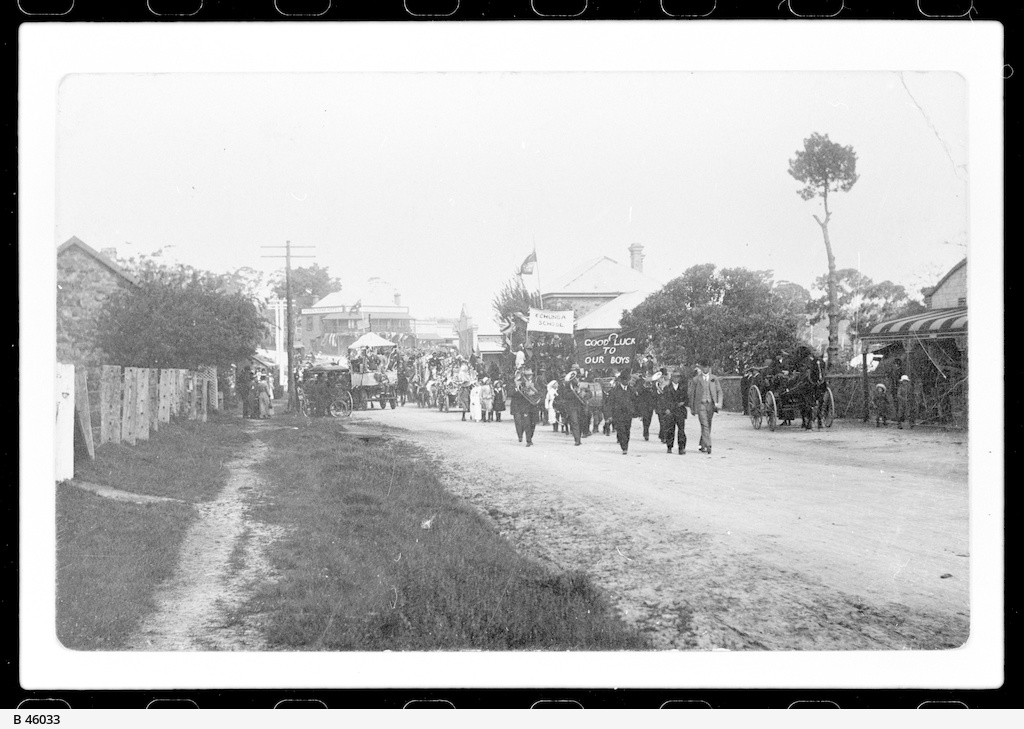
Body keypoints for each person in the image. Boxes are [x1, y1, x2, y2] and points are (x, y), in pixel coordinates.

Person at [688, 362, 723, 455]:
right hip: (701, 405)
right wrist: (692, 408)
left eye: (707, 367)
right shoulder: (696, 379)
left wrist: (719, 402)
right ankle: (708, 445)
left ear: (709, 367)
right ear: (701, 368)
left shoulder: (714, 379)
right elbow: (692, 394)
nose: (705, 369)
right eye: (703, 367)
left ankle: (702, 444)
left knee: (708, 424)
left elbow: (719, 391)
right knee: (704, 424)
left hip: (711, 405)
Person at [605, 370, 639, 455]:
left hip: (628, 414)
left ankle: (625, 444)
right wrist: (609, 415)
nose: (626, 382)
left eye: (627, 380)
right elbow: (609, 403)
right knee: (621, 430)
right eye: (624, 380)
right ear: (620, 380)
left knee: (627, 430)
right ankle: (624, 447)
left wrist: (636, 412)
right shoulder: (614, 390)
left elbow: (635, 402)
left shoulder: (631, 390)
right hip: (618, 414)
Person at [660, 368, 689, 454]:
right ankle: (669, 446)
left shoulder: (683, 388)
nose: (677, 378)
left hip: (680, 411)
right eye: (675, 377)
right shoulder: (667, 388)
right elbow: (664, 400)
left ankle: (681, 447)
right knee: (670, 430)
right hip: (671, 411)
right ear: (672, 377)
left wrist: (683, 403)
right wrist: (666, 409)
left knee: (681, 430)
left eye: (678, 377)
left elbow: (687, 399)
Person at [510, 367, 541, 446]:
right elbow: (515, 395)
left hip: (534, 406)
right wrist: (522, 389)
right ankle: (528, 440)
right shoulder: (521, 384)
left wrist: (534, 392)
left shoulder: (536, 383)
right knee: (527, 424)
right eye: (527, 375)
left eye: (530, 375)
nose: (529, 376)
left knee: (533, 424)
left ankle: (530, 437)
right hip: (525, 407)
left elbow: (541, 393)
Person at [560, 371, 588, 446]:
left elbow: (589, 393)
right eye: (573, 379)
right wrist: (575, 392)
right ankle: (577, 440)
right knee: (574, 422)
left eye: (575, 378)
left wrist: (584, 394)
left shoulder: (582, 386)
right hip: (572, 407)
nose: (575, 380)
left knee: (581, 422)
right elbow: (565, 395)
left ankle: (579, 436)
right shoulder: (567, 387)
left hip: (581, 406)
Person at [636, 375, 659, 441]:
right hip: (643, 404)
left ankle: (646, 429)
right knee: (645, 418)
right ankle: (646, 432)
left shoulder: (653, 386)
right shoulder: (641, 385)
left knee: (649, 418)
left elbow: (656, 395)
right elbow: (638, 392)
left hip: (651, 405)